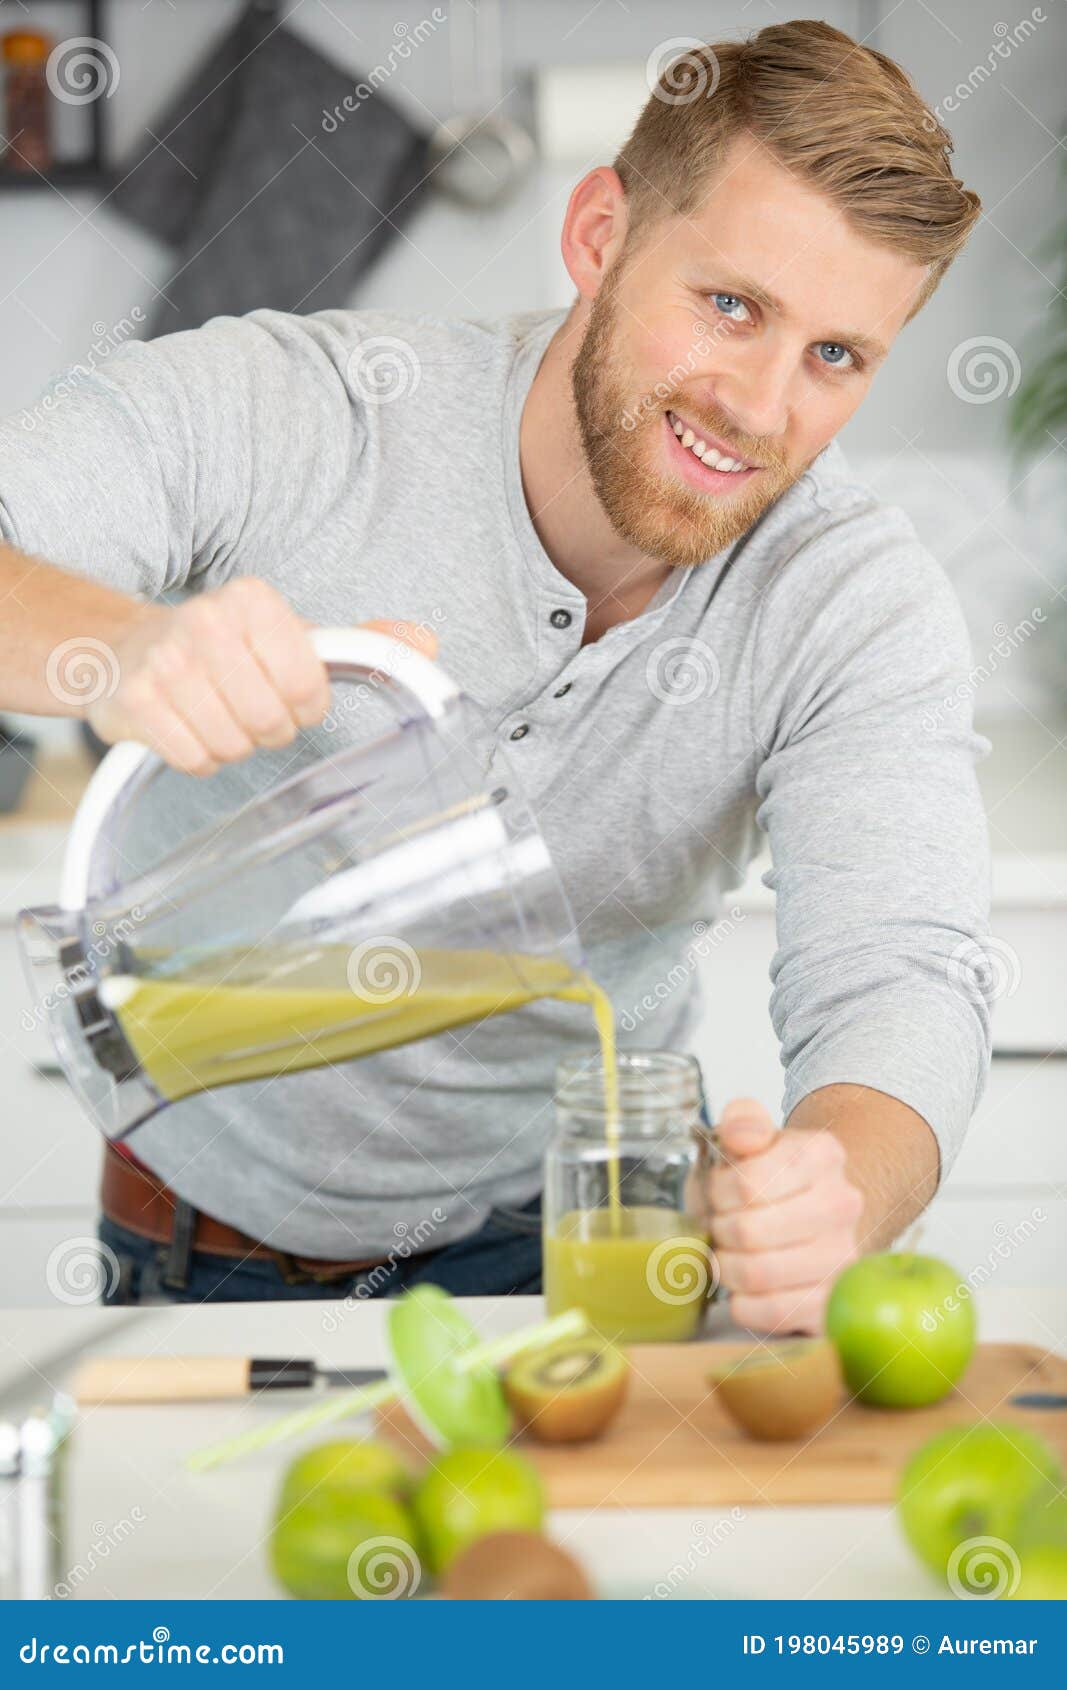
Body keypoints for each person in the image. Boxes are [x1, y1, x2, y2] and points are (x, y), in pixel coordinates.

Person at [0, 21, 990, 1330]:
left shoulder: (852, 601)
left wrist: (838, 1193)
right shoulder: (309, 414)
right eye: (731, 305)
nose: (761, 404)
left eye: (835, 356)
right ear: (597, 237)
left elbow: (899, 977)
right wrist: (115, 645)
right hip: (217, 1255)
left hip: (605, 1250)